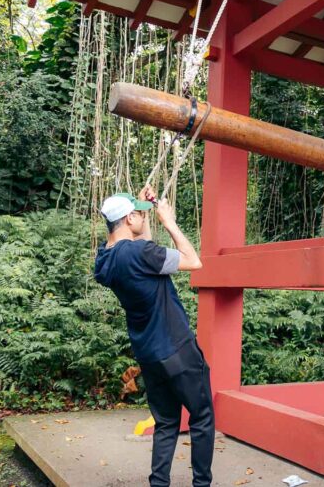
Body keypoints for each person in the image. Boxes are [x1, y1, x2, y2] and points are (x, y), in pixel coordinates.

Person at [93, 185, 213, 487]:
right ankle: (202, 484)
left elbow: (144, 257)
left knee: (166, 422)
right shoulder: (140, 252)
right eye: (139, 215)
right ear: (130, 218)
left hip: (149, 354)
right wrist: (167, 220)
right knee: (201, 418)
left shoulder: (104, 262)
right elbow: (193, 261)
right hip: (178, 347)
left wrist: (146, 213)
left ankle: (158, 483)